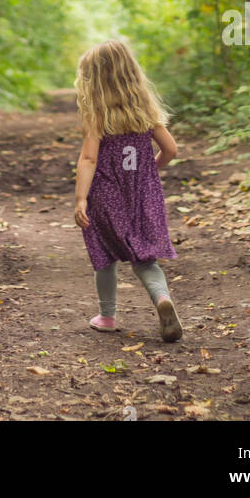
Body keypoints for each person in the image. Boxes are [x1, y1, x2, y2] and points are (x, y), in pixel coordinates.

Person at [74, 38, 182, 342]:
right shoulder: (145, 110)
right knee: (145, 258)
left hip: (105, 196)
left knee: (104, 255)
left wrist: (81, 198)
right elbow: (171, 149)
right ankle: (163, 300)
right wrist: (148, 173)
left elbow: (89, 158)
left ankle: (107, 317)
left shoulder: (96, 114)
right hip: (142, 196)